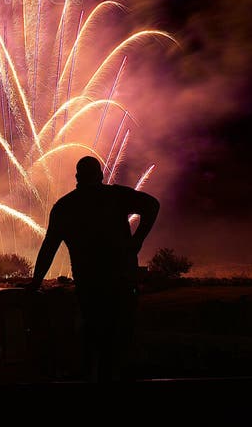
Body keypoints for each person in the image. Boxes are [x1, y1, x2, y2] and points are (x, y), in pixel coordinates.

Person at [26, 155, 160, 382]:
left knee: (93, 338)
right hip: (121, 283)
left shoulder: (65, 206)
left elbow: (49, 247)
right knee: (119, 343)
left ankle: (92, 389)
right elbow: (152, 205)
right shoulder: (115, 196)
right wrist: (137, 240)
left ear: (77, 177)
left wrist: (36, 282)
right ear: (101, 175)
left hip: (90, 286)